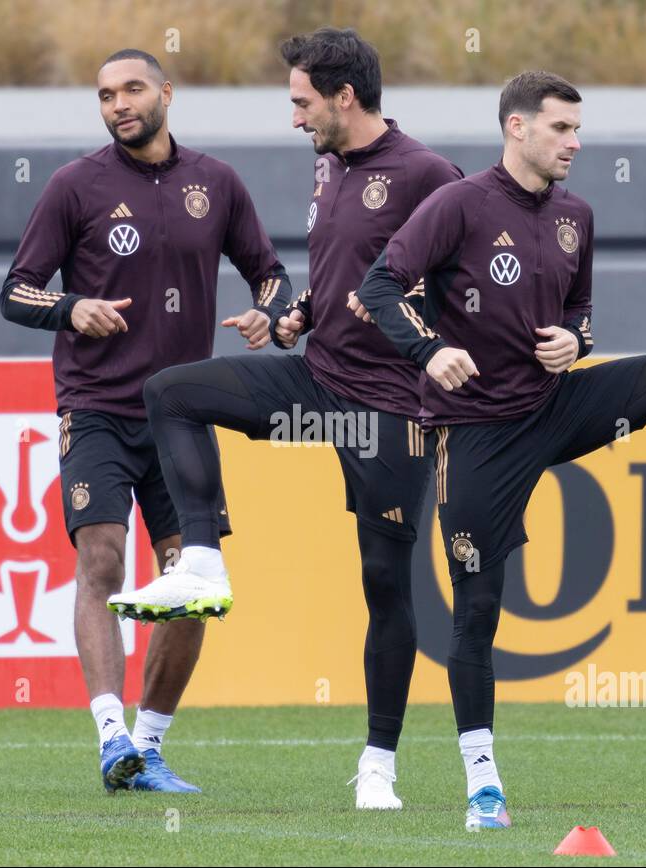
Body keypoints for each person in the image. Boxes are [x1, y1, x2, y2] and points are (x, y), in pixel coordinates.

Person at [353, 71, 646, 830]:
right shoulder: (456, 205)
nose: (576, 144)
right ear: (517, 128)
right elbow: (381, 287)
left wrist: (572, 341)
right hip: (476, 431)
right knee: (478, 611)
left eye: (579, 131)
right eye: (561, 129)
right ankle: (482, 782)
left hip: (554, 406)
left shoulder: (575, 215)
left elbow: (582, 314)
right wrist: (429, 353)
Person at [107, 28, 462, 810]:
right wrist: (298, 313)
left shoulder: (430, 174)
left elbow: (451, 291)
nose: (293, 118)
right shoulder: (327, 162)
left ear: (344, 97)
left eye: (302, 102)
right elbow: (342, 271)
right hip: (316, 386)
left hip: (387, 411)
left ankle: (378, 764)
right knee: (173, 393)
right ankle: (202, 560)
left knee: (384, 581)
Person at [0, 49, 292, 794]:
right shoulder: (75, 187)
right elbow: (17, 292)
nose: (118, 104)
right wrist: (73, 309)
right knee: (99, 559)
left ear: (166, 92)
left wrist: (269, 311)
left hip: (182, 416)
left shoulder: (216, 183)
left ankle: (149, 747)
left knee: (192, 584)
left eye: (131, 89)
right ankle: (109, 737)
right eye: (104, 95)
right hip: (95, 408)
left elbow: (272, 271)